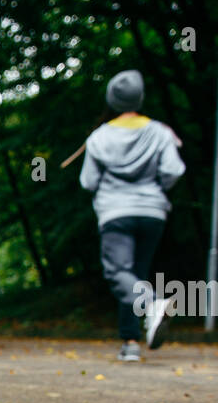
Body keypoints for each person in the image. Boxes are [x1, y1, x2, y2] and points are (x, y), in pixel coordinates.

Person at [79, 70, 185, 361]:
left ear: (112, 100)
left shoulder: (99, 137)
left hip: (115, 212)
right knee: (134, 276)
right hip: (152, 212)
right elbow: (173, 171)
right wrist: (152, 189)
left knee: (118, 273)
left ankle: (151, 306)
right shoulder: (160, 132)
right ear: (140, 98)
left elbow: (88, 181)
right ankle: (130, 343)